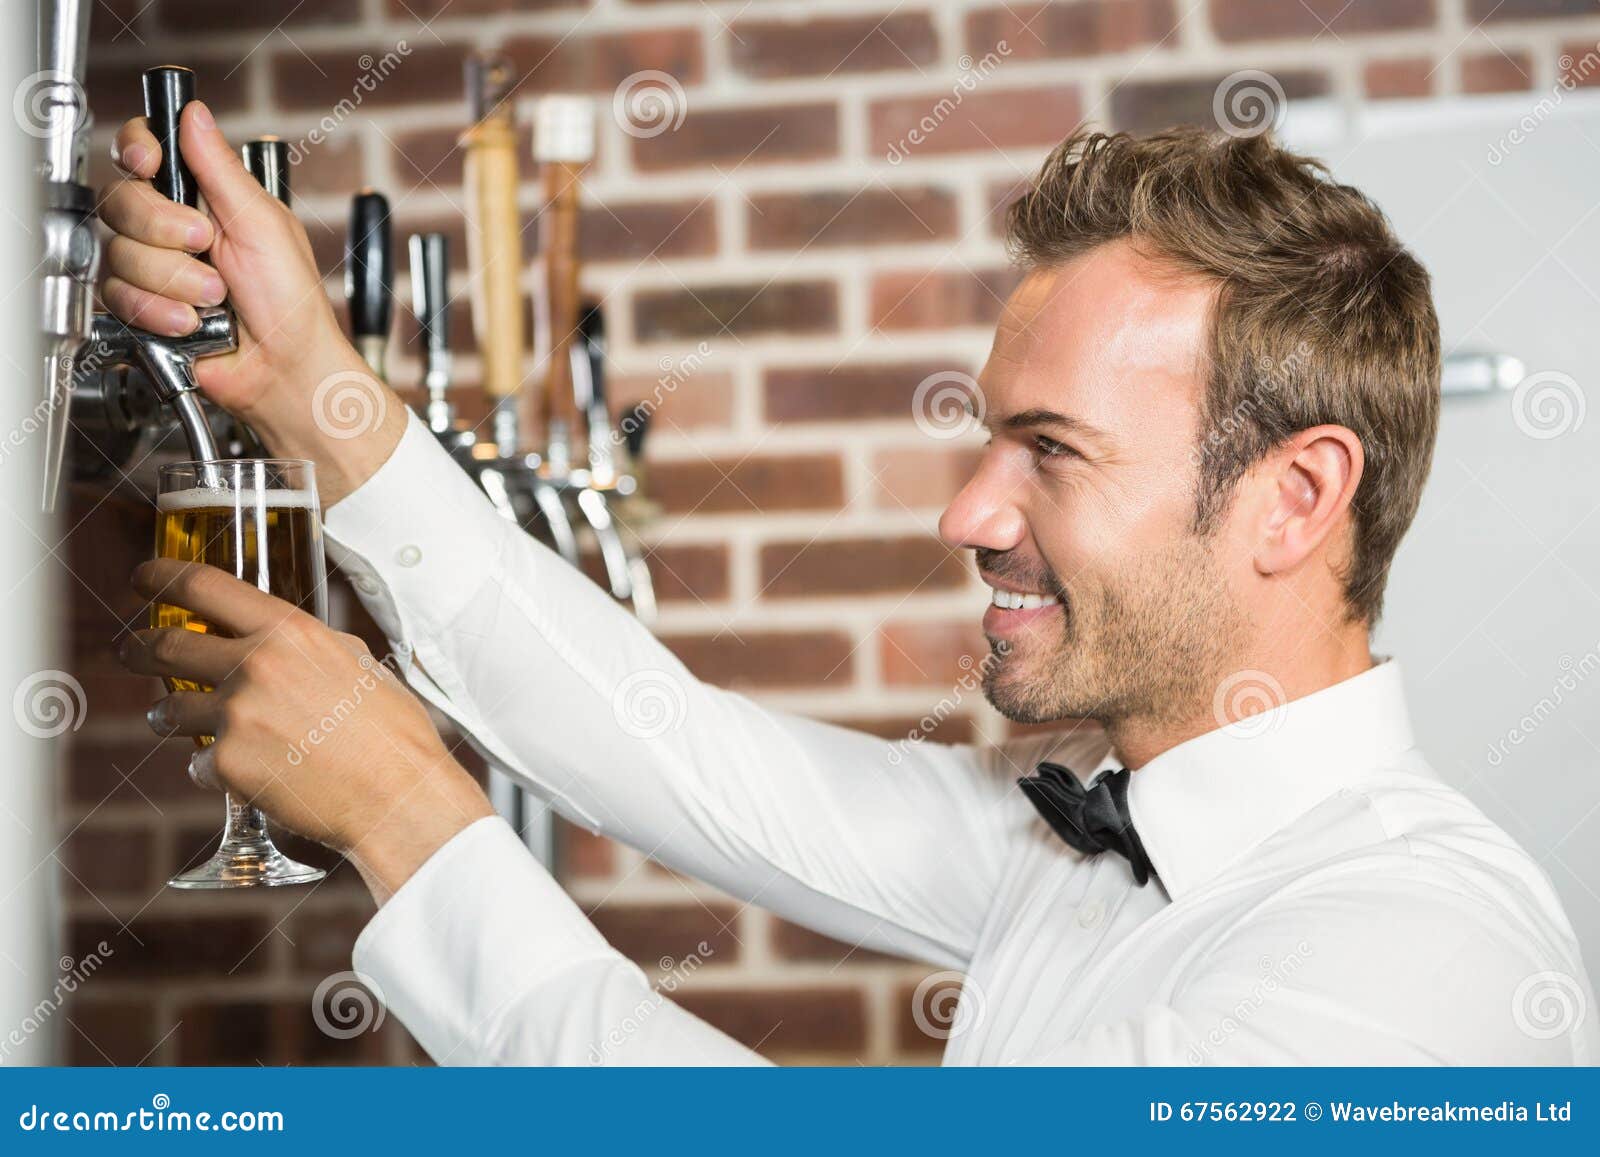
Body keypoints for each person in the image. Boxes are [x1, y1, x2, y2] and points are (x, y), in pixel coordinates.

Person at [106, 100, 1596, 1065]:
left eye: (1051, 450)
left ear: (1296, 497)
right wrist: (317, 391)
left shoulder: (1416, 962)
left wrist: (413, 821)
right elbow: (685, 754)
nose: (967, 508)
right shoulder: (1097, 832)